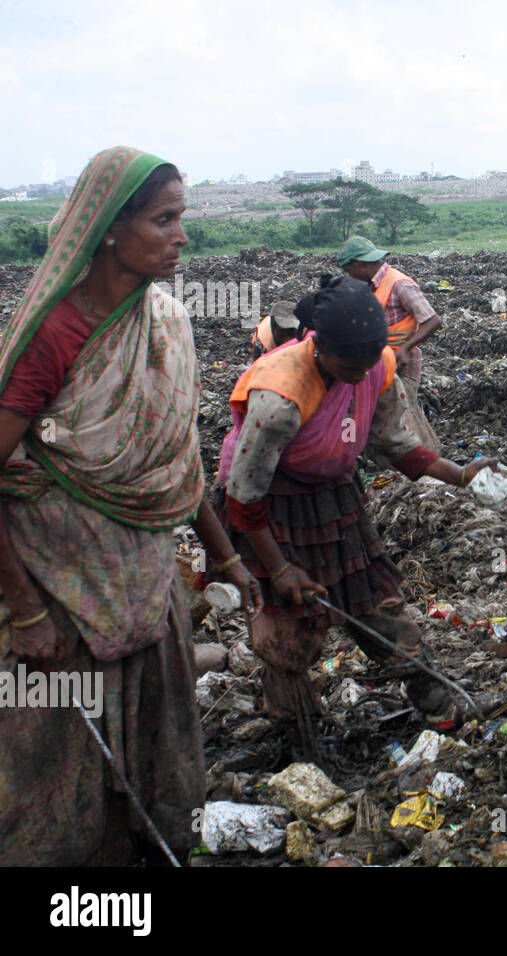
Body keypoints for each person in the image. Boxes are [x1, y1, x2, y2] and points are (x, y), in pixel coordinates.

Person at [0, 147, 260, 866]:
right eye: (165, 219)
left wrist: (225, 554)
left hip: (146, 592)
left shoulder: (166, 322)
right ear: (109, 230)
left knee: (149, 771)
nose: (182, 236)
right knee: (55, 780)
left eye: (182, 218)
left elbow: (177, 459)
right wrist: (25, 612)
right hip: (59, 606)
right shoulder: (54, 335)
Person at [212, 276, 498, 730]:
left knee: (378, 606)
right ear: (319, 346)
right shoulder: (280, 397)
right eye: (351, 363)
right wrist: (281, 569)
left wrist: (459, 474)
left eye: (369, 362)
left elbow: (393, 442)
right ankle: (295, 730)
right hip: (271, 508)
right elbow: (244, 496)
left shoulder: (377, 367)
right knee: (288, 633)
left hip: (333, 497)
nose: (361, 374)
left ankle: (437, 703)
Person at [337, 235, 442, 452]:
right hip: (381, 363)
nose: (350, 276)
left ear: (359, 264)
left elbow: (432, 321)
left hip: (401, 362)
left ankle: (422, 462)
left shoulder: (399, 284)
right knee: (389, 414)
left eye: (349, 271)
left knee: (403, 414)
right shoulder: (371, 286)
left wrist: (405, 348)